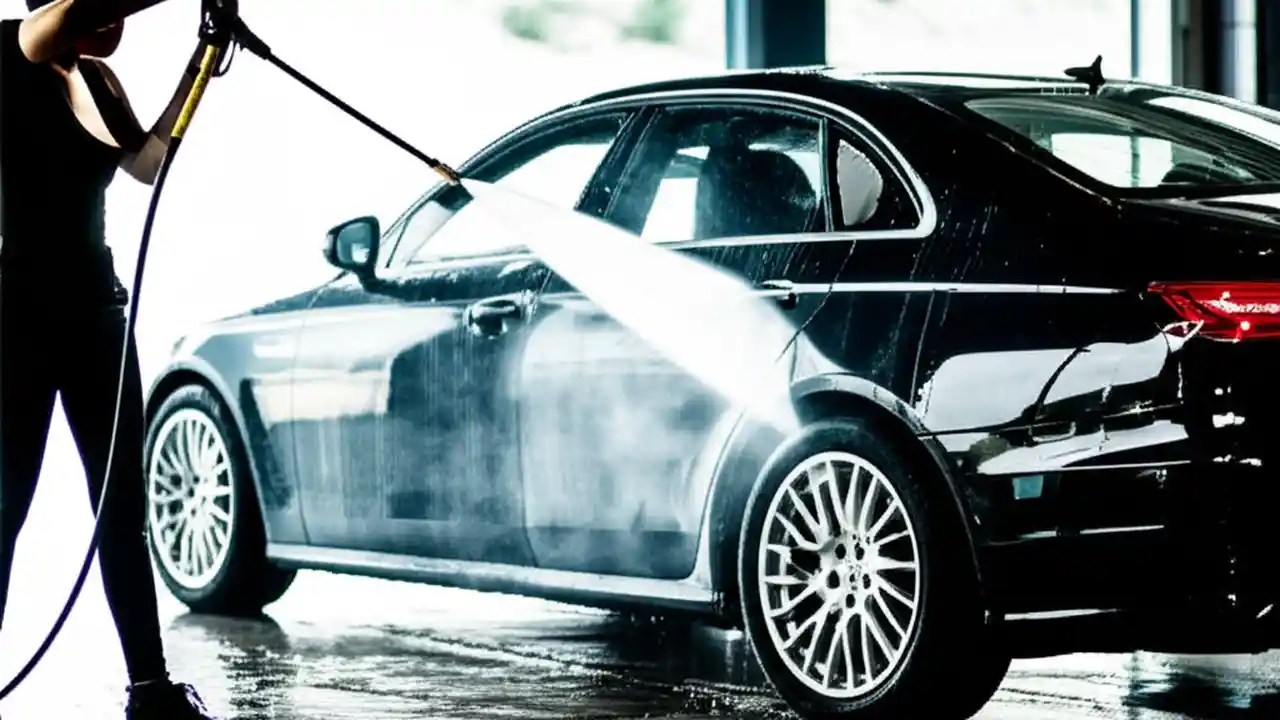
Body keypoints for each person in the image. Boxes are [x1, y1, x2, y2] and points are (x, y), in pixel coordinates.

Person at [0, 1, 222, 717]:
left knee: (120, 510)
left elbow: (147, 163)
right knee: (6, 508)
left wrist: (201, 63)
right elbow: (62, 18)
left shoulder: (100, 81)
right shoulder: (17, 44)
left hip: (97, 318)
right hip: (15, 322)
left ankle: (150, 690)